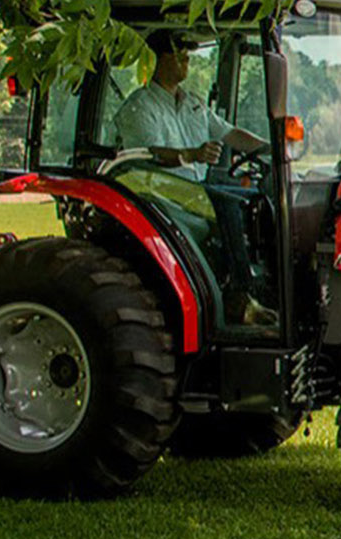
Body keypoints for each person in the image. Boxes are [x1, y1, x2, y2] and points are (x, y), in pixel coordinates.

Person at [113, 29, 275, 326]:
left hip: (195, 188)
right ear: (157, 59)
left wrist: (272, 146)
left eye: (187, 51)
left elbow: (229, 133)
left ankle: (269, 283)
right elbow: (147, 154)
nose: (186, 57)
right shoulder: (139, 107)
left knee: (259, 198)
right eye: (178, 51)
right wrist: (193, 154)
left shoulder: (193, 102)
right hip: (161, 191)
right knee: (228, 203)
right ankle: (241, 293)